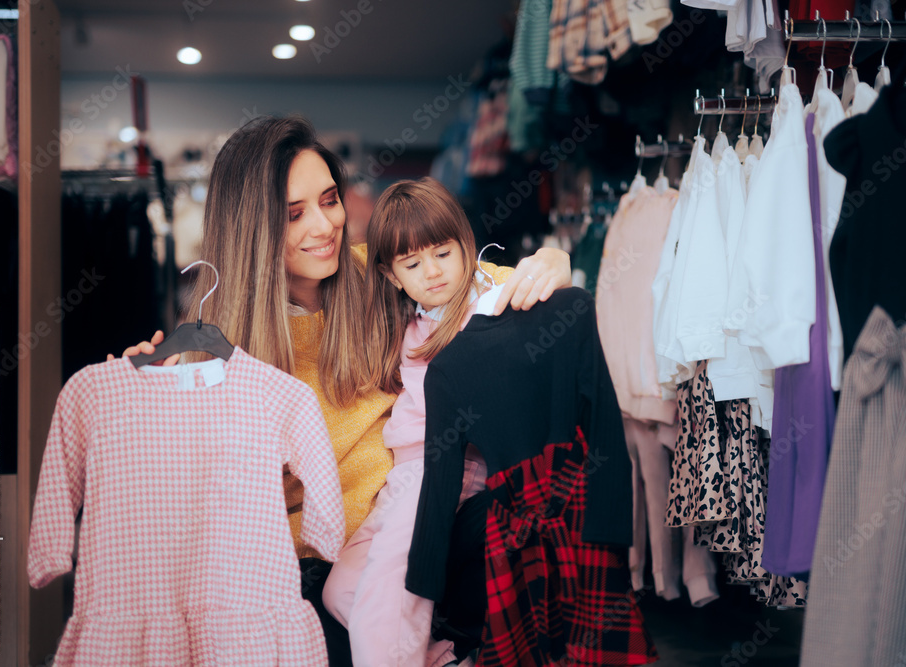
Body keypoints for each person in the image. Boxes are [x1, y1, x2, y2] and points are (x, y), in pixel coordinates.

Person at [112, 116, 571, 665]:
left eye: (329, 200)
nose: (325, 226)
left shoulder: (377, 272)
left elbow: (482, 281)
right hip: (312, 570)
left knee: (527, 510)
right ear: (251, 227)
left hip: (422, 527)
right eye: (294, 214)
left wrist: (549, 265)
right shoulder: (219, 348)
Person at [322, 177, 500, 667]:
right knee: (340, 591)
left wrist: (551, 261)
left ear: (465, 248)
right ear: (393, 275)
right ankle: (441, 661)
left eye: (443, 254)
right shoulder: (412, 321)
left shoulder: (482, 312)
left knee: (388, 593)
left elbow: (511, 282)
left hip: (448, 468)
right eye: (414, 263)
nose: (434, 272)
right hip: (402, 477)